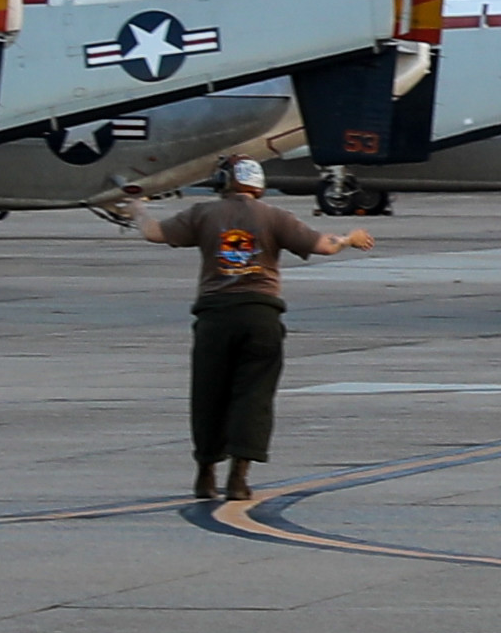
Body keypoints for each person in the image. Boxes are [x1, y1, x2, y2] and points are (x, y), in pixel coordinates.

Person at [137, 160, 368, 501]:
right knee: (254, 396)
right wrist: (351, 238)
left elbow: (154, 232)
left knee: (208, 395)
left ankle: (205, 473)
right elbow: (324, 245)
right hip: (261, 315)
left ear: (225, 183)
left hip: (215, 317)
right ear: (258, 186)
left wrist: (136, 208)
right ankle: (239, 477)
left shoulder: (203, 213)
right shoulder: (275, 217)